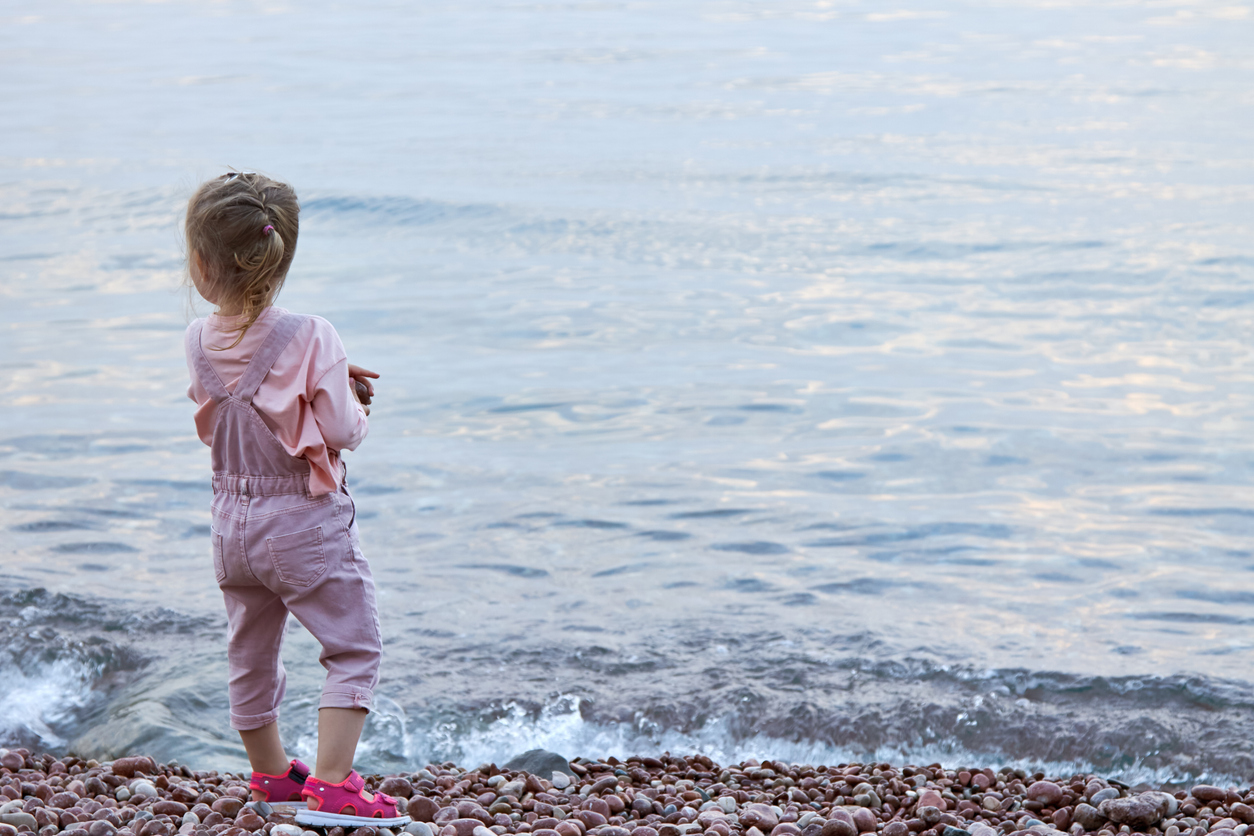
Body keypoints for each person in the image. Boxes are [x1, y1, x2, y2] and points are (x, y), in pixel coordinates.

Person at [182, 171, 408, 828]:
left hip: (231, 526)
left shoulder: (196, 339)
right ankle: (335, 785)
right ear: (280, 257)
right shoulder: (314, 335)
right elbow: (338, 431)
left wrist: (326, 375)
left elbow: (240, 397)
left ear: (201, 265)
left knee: (249, 648)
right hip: (303, 524)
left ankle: (273, 775)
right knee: (353, 647)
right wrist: (352, 403)